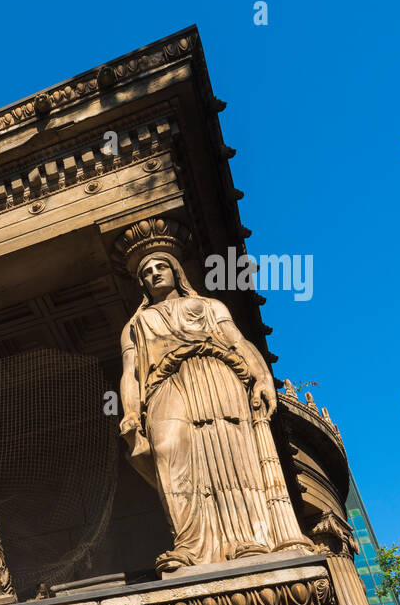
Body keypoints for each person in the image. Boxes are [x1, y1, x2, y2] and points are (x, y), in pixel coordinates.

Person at [117, 221, 310, 571]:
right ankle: (189, 545)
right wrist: (130, 413)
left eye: (161, 267)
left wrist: (264, 378)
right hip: (163, 385)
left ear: (176, 272)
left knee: (229, 451)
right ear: (141, 283)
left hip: (215, 375)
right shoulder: (135, 325)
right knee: (168, 451)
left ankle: (248, 540)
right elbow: (130, 373)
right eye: (146, 272)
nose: (154, 274)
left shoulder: (209, 306)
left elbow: (239, 343)